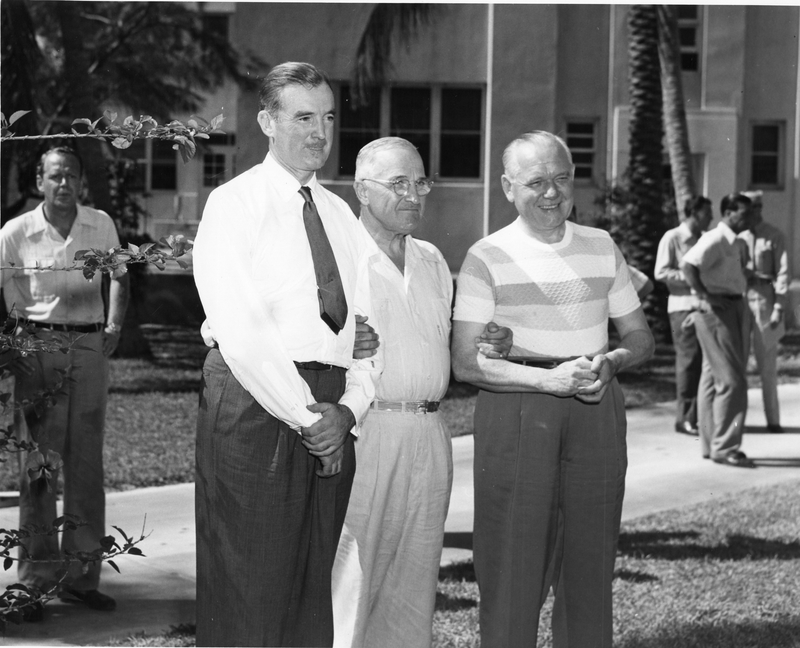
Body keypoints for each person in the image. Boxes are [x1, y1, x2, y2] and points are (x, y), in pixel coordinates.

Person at [192, 62, 381, 647]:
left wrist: (348, 411)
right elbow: (242, 332)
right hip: (257, 404)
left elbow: (367, 333)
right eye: (303, 117)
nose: (319, 132)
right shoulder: (234, 204)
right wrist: (308, 419)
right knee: (249, 588)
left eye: (327, 117)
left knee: (308, 589)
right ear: (267, 122)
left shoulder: (341, 215)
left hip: (329, 408)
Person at [451, 131, 654, 647]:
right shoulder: (486, 255)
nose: (550, 193)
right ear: (507, 187)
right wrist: (548, 379)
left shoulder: (602, 245)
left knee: (591, 564)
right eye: (535, 181)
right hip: (517, 407)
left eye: (561, 178)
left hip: (595, 402)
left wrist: (613, 360)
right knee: (512, 566)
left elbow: (640, 336)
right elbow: (465, 361)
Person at [330, 137, 512, 648]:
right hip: (368, 432)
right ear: (362, 191)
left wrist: (492, 342)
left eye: (420, 182)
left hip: (431, 435)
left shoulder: (433, 259)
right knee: (352, 579)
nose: (413, 194)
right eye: (398, 184)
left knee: (413, 585)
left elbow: (454, 349)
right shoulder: (341, 256)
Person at [0, 146, 129, 616]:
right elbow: (4, 289)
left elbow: (119, 277)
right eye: (55, 176)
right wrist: (20, 340)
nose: (64, 184)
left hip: (91, 349)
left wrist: (114, 325)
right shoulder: (16, 233)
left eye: (71, 176)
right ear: (40, 181)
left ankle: (81, 576)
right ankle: (34, 581)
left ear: (80, 183)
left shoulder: (100, 224)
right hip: (39, 350)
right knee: (39, 467)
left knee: (86, 465)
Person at [680, 193, 753, 467]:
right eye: (743, 213)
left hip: (730, 307)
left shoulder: (735, 242)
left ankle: (712, 445)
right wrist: (706, 296)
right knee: (733, 381)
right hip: (717, 312)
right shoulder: (716, 238)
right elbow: (688, 265)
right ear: (728, 213)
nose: (747, 218)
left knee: (712, 379)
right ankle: (726, 447)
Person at [654, 195, 714, 436]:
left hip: (705, 306)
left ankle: (699, 416)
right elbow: (661, 272)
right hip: (683, 306)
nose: (710, 218)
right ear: (695, 213)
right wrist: (691, 279)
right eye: (707, 213)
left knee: (704, 364)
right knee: (688, 363)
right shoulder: (673, 238)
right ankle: (685, 418)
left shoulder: (705, 240)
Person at [739, 190, 789, 433]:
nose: (752, 212)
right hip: (738, 301)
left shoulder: (774, 235)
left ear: (760, 208)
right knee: (737, 365)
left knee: (767, 365)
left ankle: (773, 420)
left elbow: (783, 273)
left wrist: (779, 305)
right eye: (747, 208)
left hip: (765, 301)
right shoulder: (736, 237)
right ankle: (737, 422)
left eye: (756, 207)